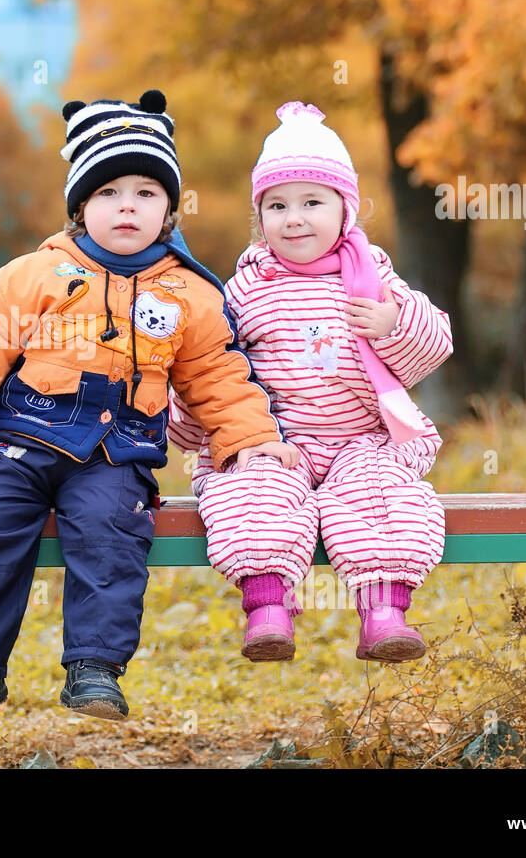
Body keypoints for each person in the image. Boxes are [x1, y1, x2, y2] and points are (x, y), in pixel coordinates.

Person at [0, 90, 294, 727]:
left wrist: (248, 434)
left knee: (112, 529)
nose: (126, 205)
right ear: (80, 207)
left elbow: (218, 371)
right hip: (19, 445)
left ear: (169, 209)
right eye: (107, 193)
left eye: (145, 192)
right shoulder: (32, 276)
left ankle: (95, 667)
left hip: (114, 454)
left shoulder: (188, 292)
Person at [169, 101, 453, 664]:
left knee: (383, 494)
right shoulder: (246, 288)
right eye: (277, 206)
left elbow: (433, 346)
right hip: (278, 440)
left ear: (345, 211)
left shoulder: (373, 277)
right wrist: (190, 420)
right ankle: (268, 607)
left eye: (311, 202)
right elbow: (213, 364)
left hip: (362, 438)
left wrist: (393, 326)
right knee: (249, 490)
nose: (293, 218)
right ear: (261, 218)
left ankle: (384, 614)